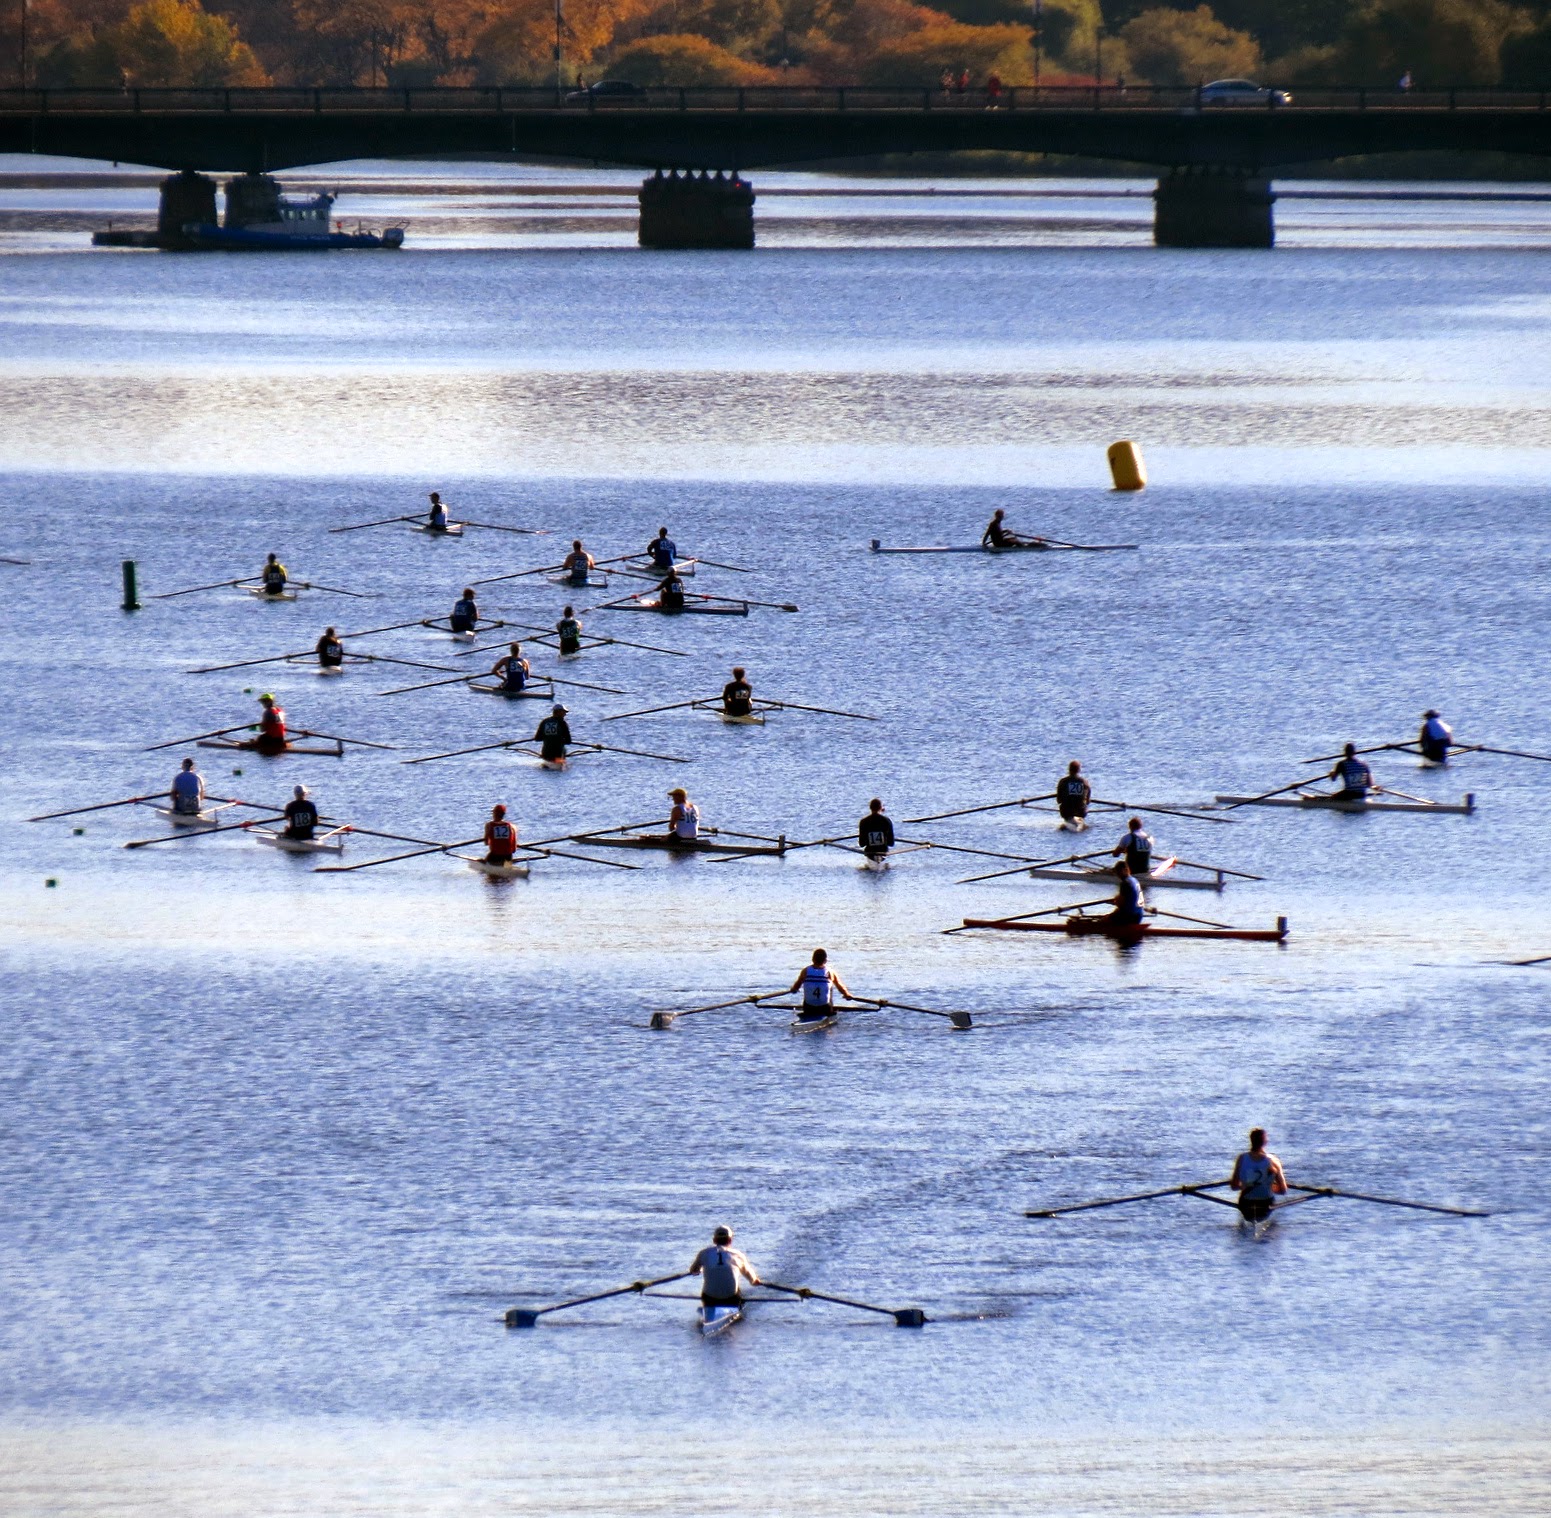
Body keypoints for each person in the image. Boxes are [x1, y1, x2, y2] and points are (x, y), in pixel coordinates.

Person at [688, 1226, 760, 1310]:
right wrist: (754, 1281)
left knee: (708, 1291)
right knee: (738, 1292)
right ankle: (735, 1310)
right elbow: (750, 1276)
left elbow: (693, 1271)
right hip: (730, 1298)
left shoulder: (704, 1253)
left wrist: (699, 1270)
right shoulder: (738, 1255)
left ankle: (708, 1313)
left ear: (714, 1240)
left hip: (710, 1298)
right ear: (730, 1240)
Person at [1229, 1127, 1288, 1223]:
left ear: (1251, 1141)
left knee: (1245, 1195)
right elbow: (1283, 1190)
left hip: (1246, 1204)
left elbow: (1234, 1186)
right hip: (1265, 1205)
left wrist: (1245, 1185)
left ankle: (1250, 1220)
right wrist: (1267, 1186)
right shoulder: (1274, 1161)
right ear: (1265, 1142)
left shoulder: (1241, 1159)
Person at [788, 947, 854, 1024]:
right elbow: (840, 987)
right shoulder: (830, 972)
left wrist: (793, 989)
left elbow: (796, 987)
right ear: (825, 960)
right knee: (830, 987)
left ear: (812, 959)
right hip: (825, 1008)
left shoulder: (805, 971)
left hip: (809, 1007)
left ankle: (807, 1018)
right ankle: (829, 1015)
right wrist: (846, 994)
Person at [1100, 860, 1146, 929]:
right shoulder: (1135, 880)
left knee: (1103, 921)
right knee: (1111, 915)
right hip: (1139, 916)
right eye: (1117, 872)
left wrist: (1109, 916)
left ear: (1126, 870)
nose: (1118, 875)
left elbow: (1120, 903)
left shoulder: (1125, 883)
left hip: (1129, 917)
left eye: (1119, 872)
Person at [1056, 761, 1091, 829]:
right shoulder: (1084, 782)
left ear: (1069, 769)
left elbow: (1058, 800)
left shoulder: (1063, 782)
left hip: (1066, 812)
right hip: (1081, 812)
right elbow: (1088, 802)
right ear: (1079, 770)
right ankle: (1079, 821)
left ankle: (1069, 821)